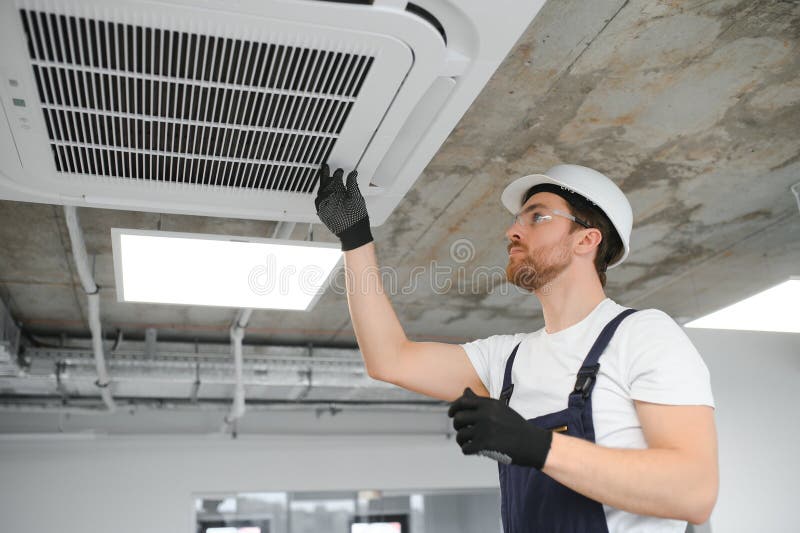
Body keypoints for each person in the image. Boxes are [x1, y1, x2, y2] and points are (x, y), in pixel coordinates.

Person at [315, 163, 718, 532]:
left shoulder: (642, 334)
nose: (512, 231)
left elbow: (694, 493)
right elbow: (390, 359)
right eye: (515, 221)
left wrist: (536, 446)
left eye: (537, 216)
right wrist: (355, 238)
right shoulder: (507, 359)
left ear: (587, 239)